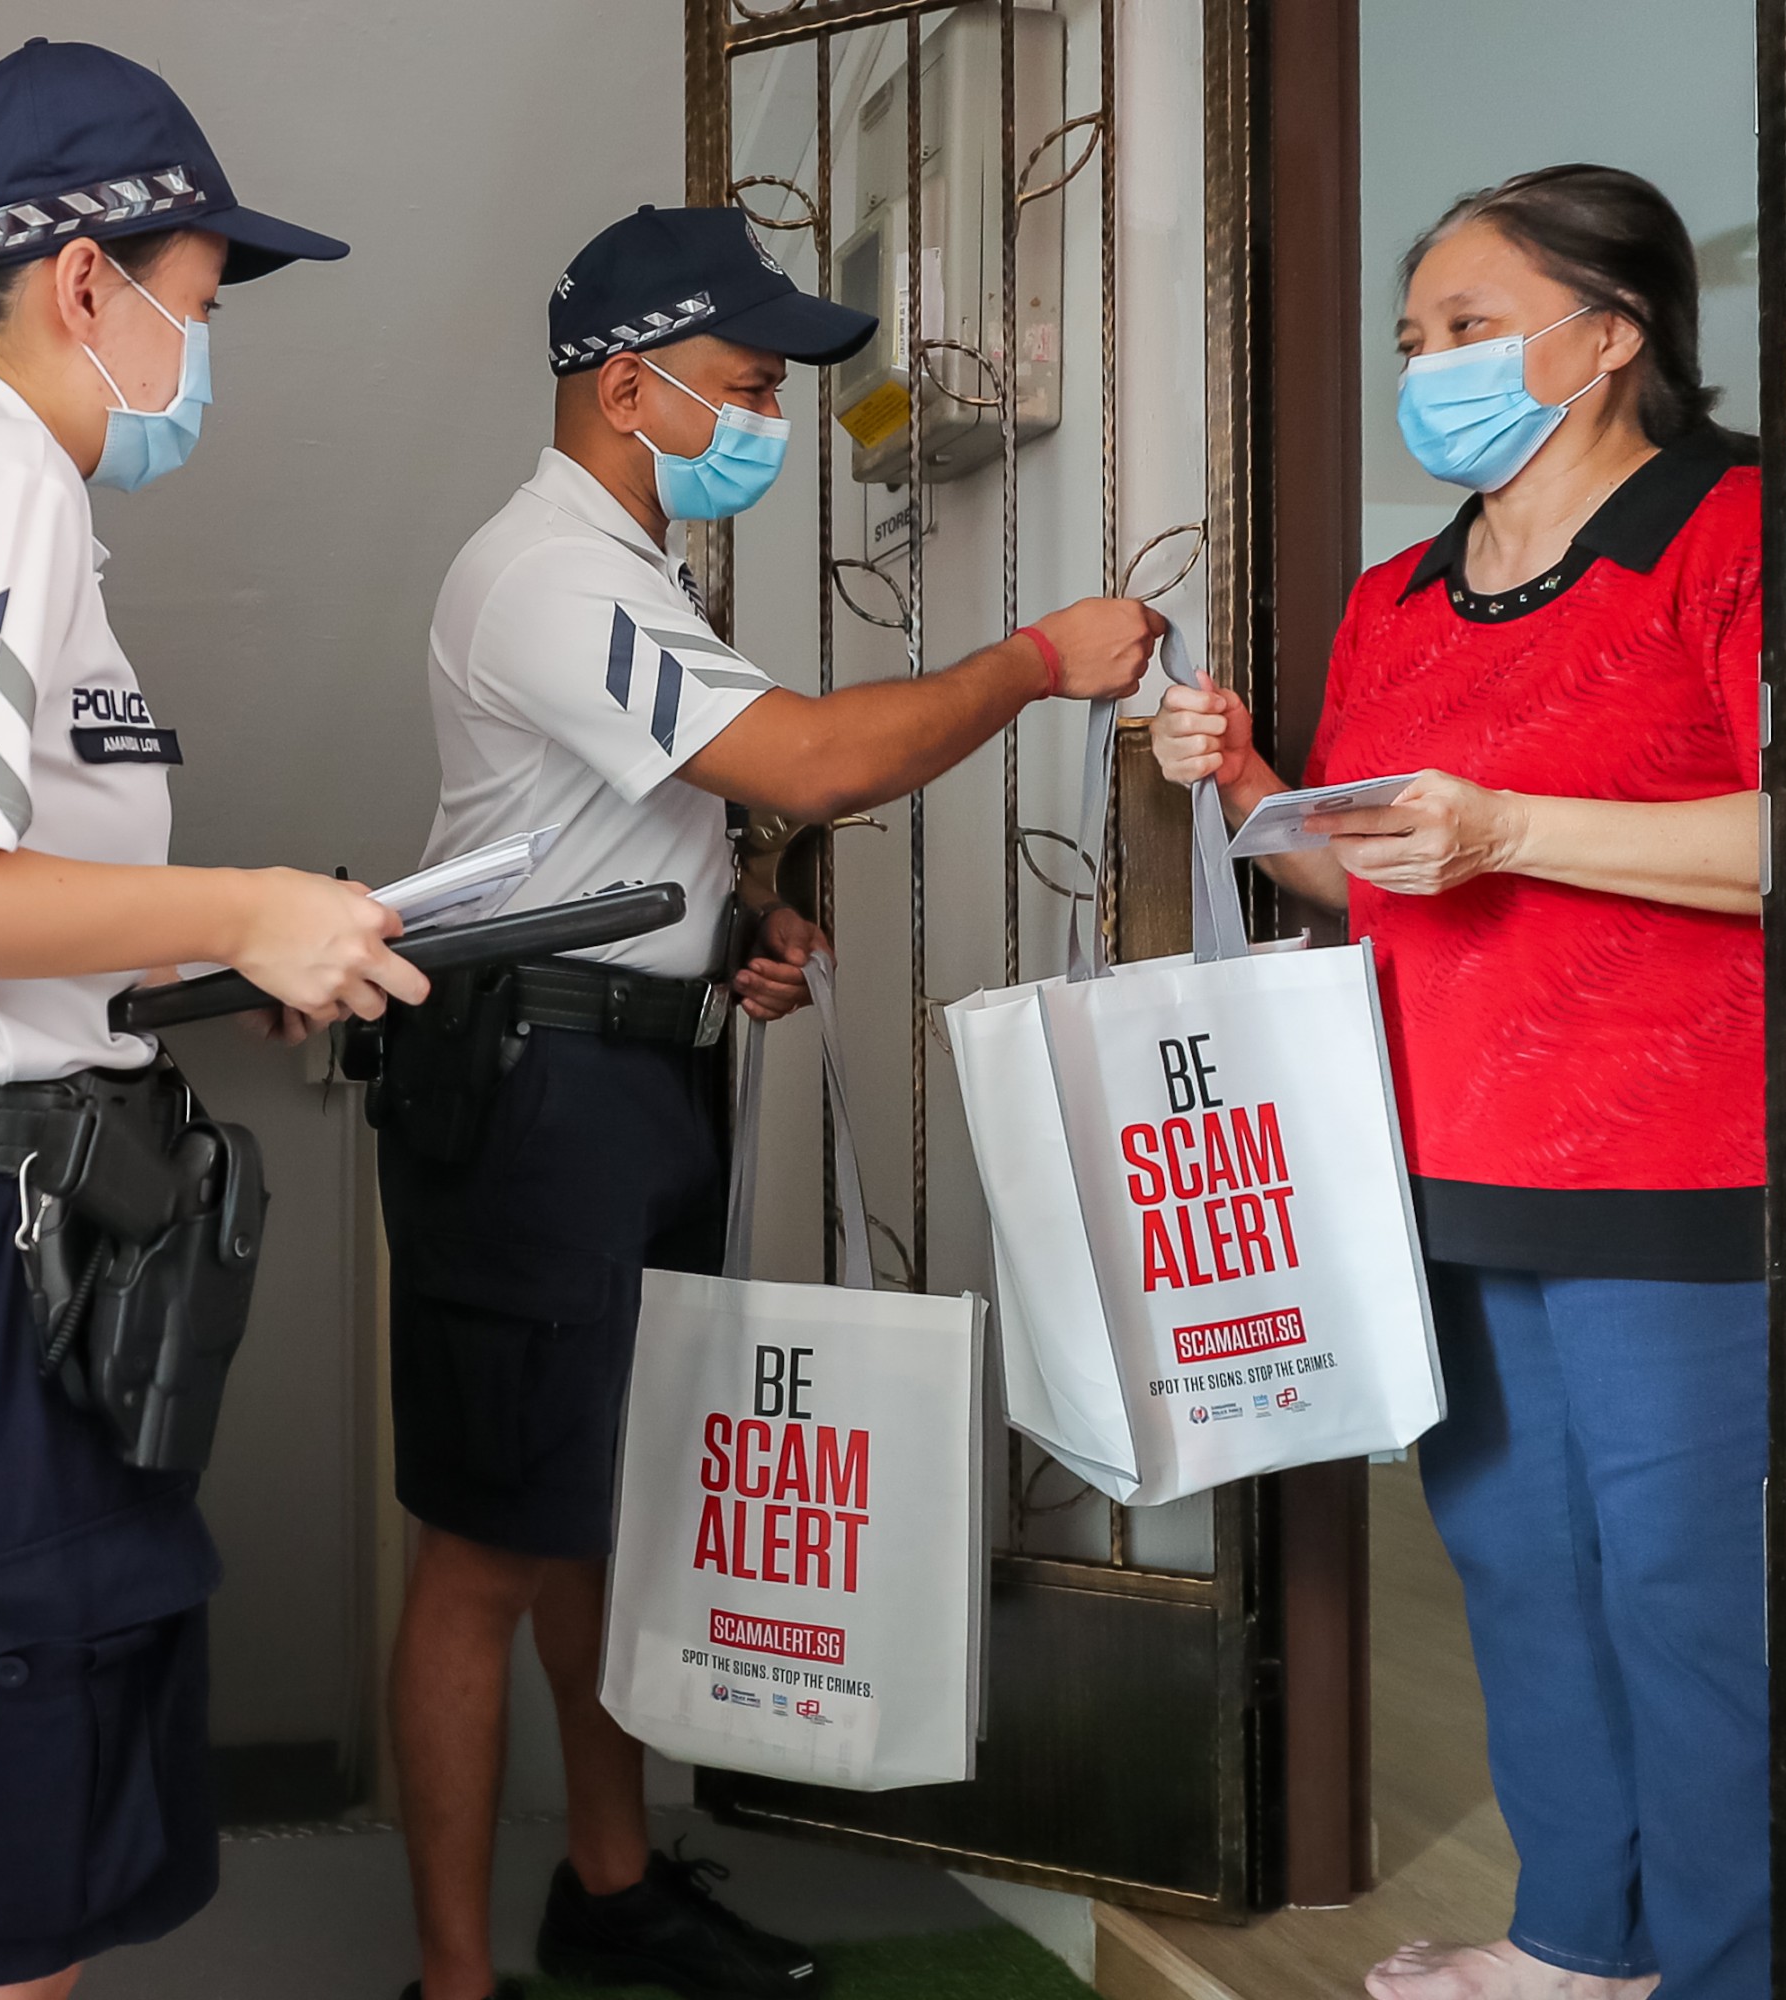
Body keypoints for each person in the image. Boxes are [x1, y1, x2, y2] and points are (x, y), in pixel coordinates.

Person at [1152, 166, 1786, 2000]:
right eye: (1413, 335)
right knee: (1518, 1564)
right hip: (1454, 1159)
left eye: (1469, 326)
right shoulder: (1396, 599)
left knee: (1688, 1588)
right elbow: (1375, 872)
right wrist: (1251, 786)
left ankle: (1731, 1967)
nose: (1426, 365)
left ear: (1608, 337)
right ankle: (1579, 1943)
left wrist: (1515, 826)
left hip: (1700, 1168)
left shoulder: (1754, 536)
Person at [377, 204, 1162, 2000]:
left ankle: (609, 1885)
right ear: (623, 388)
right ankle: (451, 1979)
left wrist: (731, 925)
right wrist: (1035, 662)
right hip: (532, 1093)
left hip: (625, 1066)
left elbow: (608, 824)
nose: (769, 422)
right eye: (740, 387)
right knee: (488, 1546)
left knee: (596, 1510)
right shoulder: (550, 574)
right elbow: (807, 758)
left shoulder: (633, 567)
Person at [0, 41, 423, 2000]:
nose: (200, 356)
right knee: (0, 1942)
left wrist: (227, 965)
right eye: (198, 306)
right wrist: (236, 902)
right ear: (85, 282)